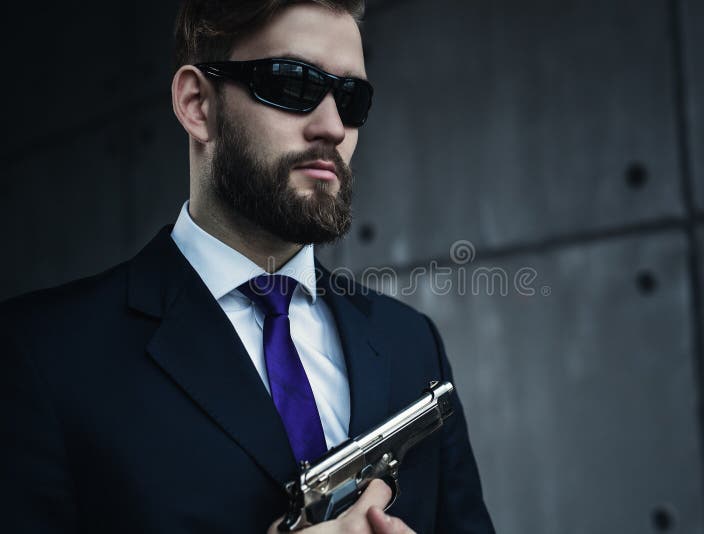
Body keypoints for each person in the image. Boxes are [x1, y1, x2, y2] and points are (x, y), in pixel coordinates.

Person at [0, 1, 494, 532]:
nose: (331, 126)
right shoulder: (40, 356)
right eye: (292, 84)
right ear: (197, 105)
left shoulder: (411, 343)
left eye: (352, 98)